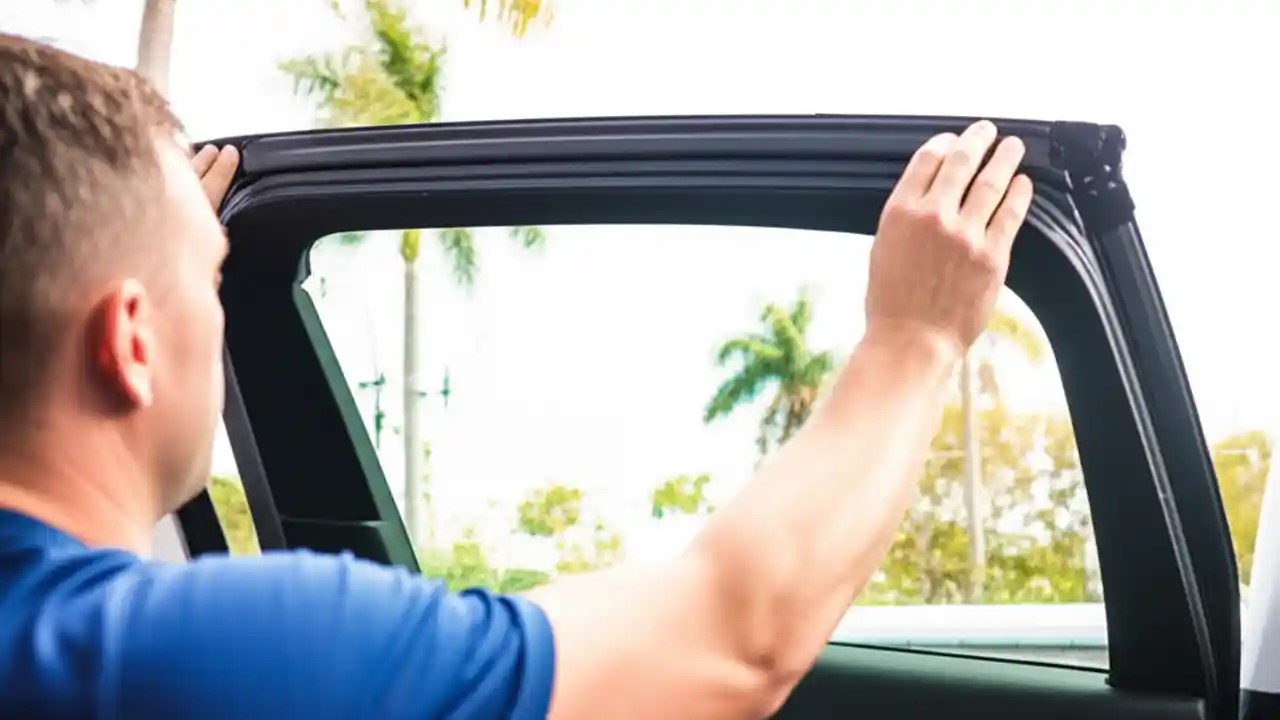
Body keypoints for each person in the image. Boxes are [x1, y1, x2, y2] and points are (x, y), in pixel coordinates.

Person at [0, 34, 1032, 720]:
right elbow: (733, 636)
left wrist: (132, 241)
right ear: (131, 341)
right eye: (213, 276)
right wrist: (914, 337)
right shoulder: (182, 658)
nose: (220, 313)